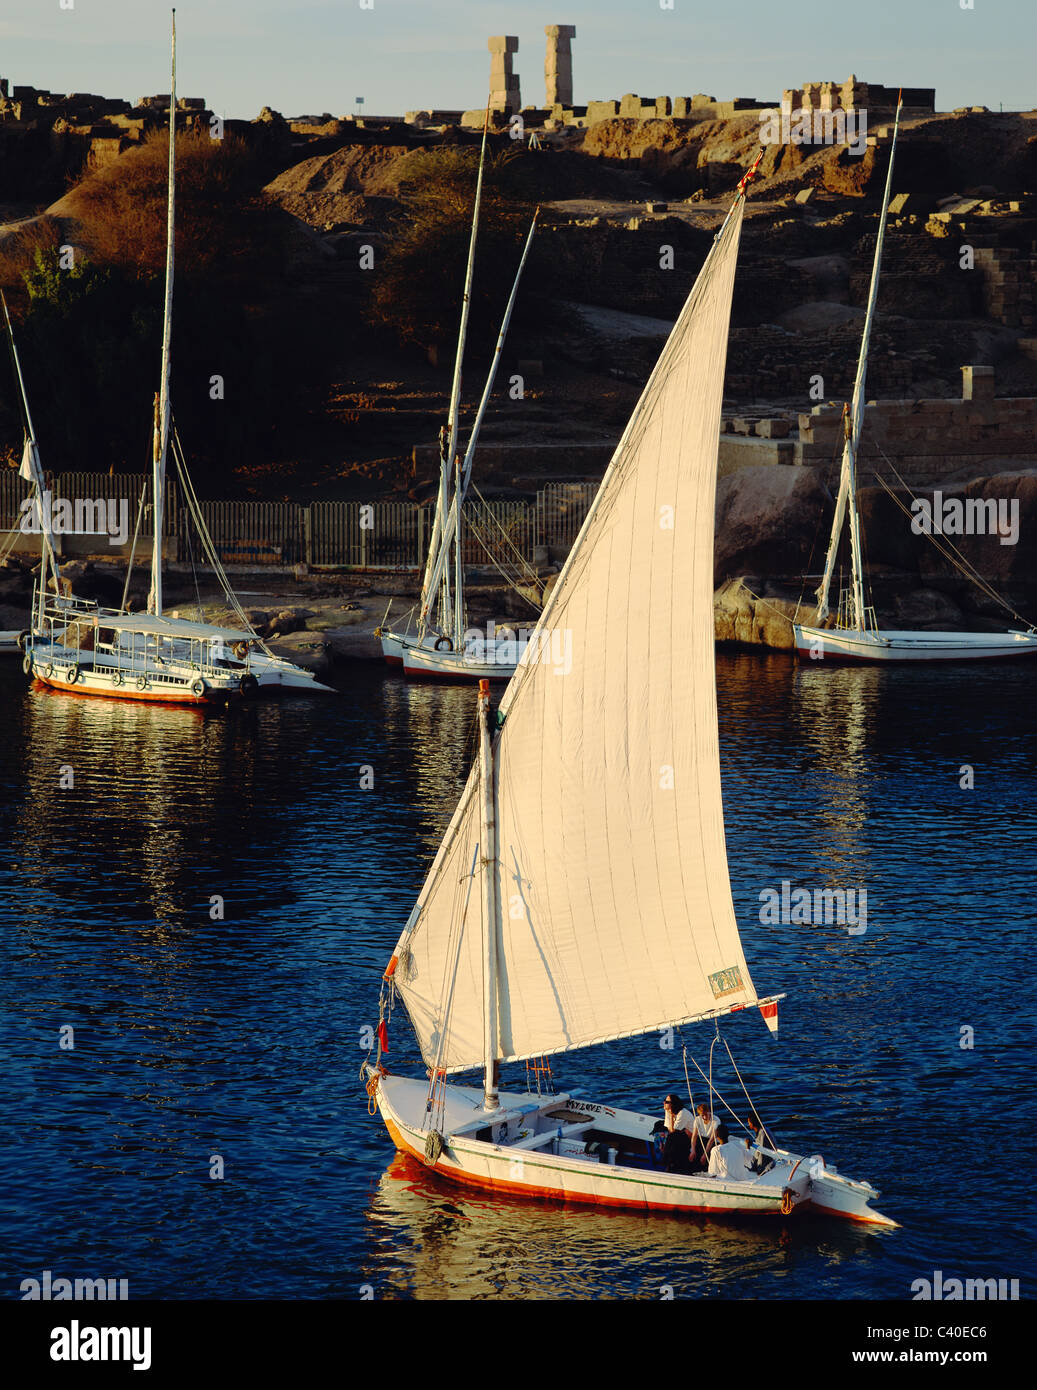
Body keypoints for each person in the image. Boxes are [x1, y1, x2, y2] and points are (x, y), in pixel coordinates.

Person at [689, 1102, 720, 1170]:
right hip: (702, 1139)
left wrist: (704, 1155)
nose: (705, 1117)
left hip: (712, 1142)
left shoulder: (716, 1120)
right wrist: (693, 1150)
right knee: (694, 1156)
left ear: (709, 1112)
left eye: (706, 1114)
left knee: (707, 1157)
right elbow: (694, 1136)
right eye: (702, 1115)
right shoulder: (697, 1119)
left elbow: (712, 1139)